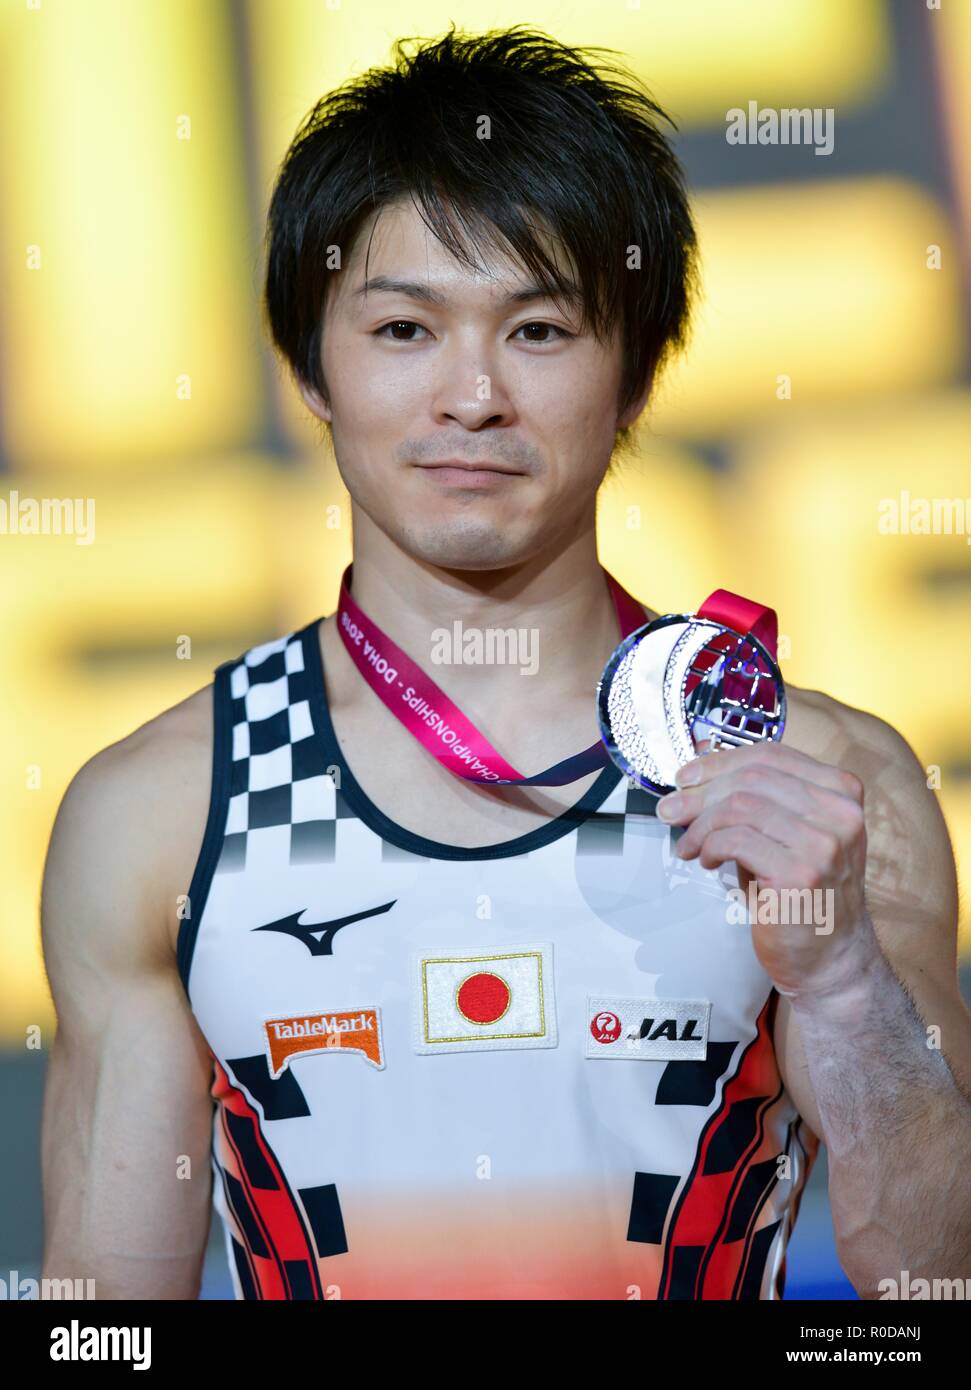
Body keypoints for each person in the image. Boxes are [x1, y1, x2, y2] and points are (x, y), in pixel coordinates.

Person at [40, 25, 970, 1300]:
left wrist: (846, 978)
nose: (471, 396)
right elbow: (103, 1330)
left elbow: (935, 1288)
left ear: (637, 372)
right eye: (405, 329)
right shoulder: (161, 812)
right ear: (309, 364)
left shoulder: (825, 783)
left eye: (537, 331)